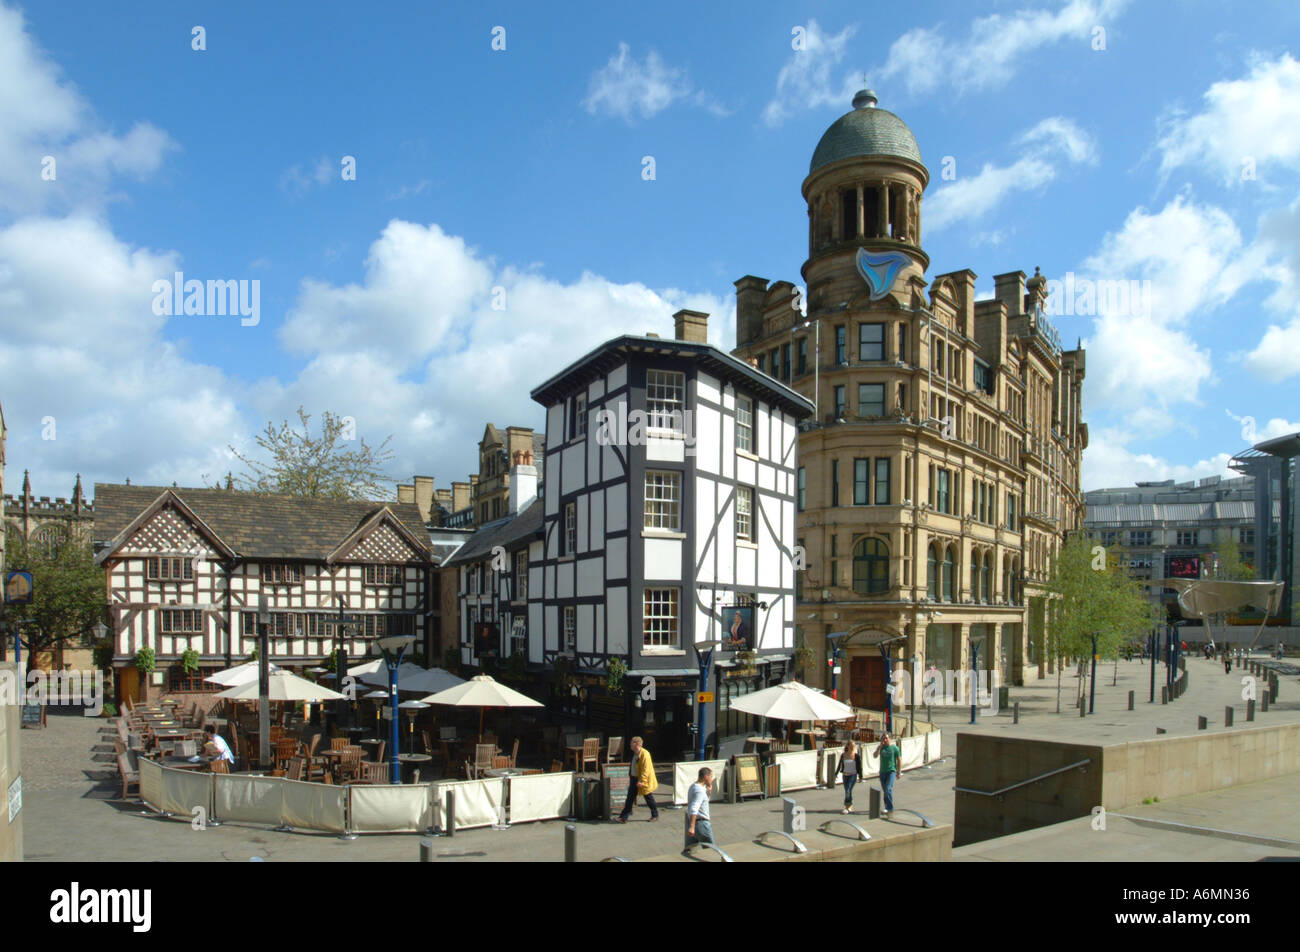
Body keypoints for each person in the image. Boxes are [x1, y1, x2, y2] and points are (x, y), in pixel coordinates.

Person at [617, 736, 659, 823]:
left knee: (648, 798)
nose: (630, 745)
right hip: (634, 779)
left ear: (637, 744)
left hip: (642, 781)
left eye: (632, 743)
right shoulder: (636, 753)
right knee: (630, 798)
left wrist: (642, 781)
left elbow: (645, 769)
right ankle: (623, 817)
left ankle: (655, 815)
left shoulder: (644, 754)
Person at [685, 767, 714, 847]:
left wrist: (708, 791)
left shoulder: (694, 786)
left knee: (690, 849)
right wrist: (692, 827)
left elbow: (703, 802)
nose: (712, 779)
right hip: (701, 824)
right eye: (711, 776)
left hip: (695, 822)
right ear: (706, 777)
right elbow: (694, 808)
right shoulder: (699, 791)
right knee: (710, 849)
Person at [836, 738, 863, 814]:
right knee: (848, 791)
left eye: (854, 745)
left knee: (848, 790)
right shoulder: (843, 755)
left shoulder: (856, 756)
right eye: (852, 745)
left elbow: (859, 767)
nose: (853, 747)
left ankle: (846, 806)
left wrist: (860, 776)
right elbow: (839, 765)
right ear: (848, 746)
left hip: (853, 775)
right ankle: (850, 805)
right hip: (845, 775)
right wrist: (836, 774)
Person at [876, 732, 900, 816]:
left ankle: (890, 808)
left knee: (888, 788)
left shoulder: (894, 748)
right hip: (883, 771)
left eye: (886, 738)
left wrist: (898, 771)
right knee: (885, 790)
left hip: (891, 771)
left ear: (890, 739)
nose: (884, 740)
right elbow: (875, 756)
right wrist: (879, 748)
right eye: (883, 738)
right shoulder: (881, 748)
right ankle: (886, 806)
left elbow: (899, 759)